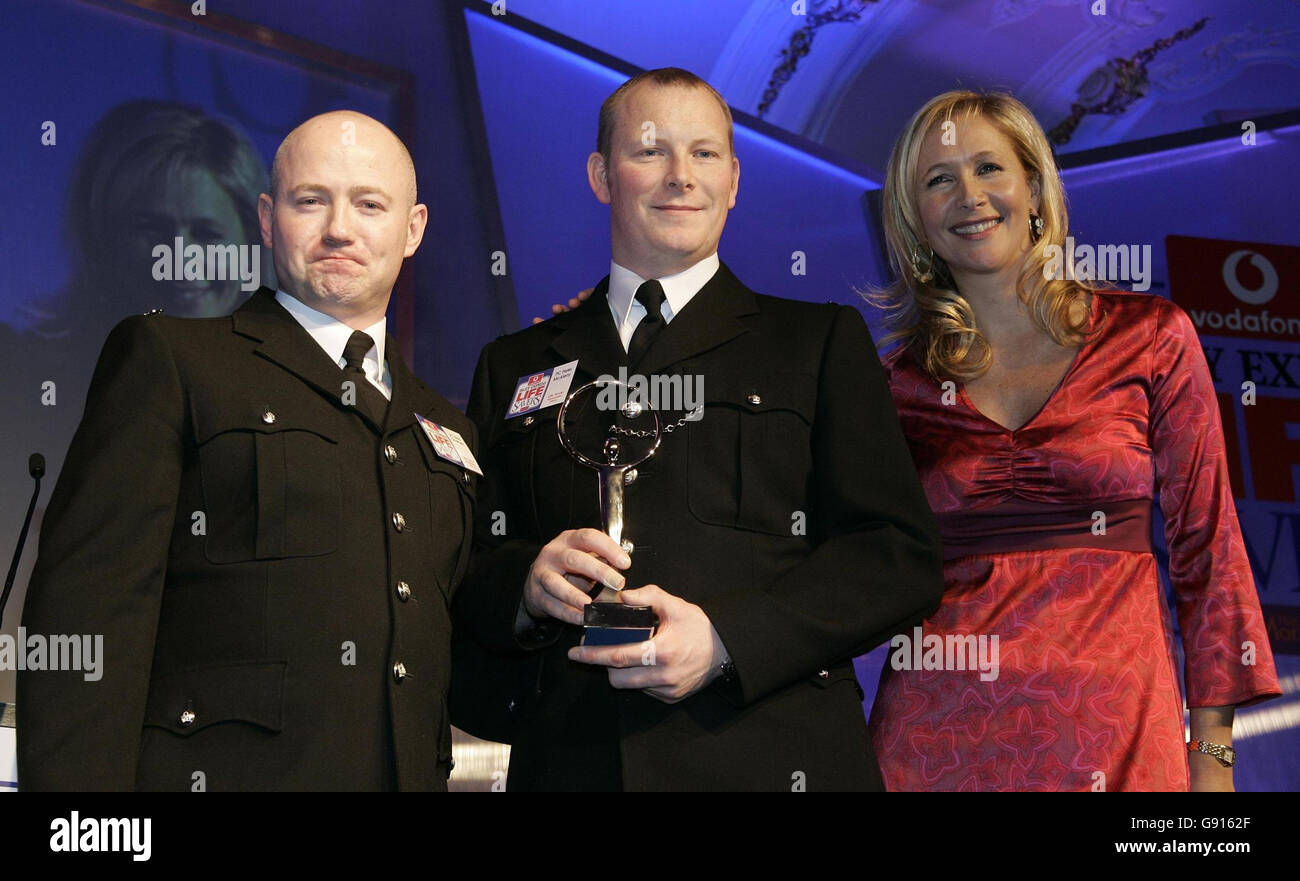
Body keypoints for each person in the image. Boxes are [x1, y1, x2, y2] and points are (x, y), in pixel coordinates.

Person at [453, 68, 943, 791]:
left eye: (705, 154)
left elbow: (895, 555)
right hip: (574, 762)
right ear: (600, 174)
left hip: (771, 757)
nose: (681, 176)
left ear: (735, 179)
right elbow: (462, 567)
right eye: (650, 152)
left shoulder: (816, 343)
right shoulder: (516, 363)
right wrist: (526, 585)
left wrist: (725, 641)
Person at [17, 110, 477, 791]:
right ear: (266, 220)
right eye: (310, 200)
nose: (340, 229)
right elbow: (87, 621)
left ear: (412, 231)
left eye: (369, 204)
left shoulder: (447, 427)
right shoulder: (173, 361)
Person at [865, 91, 1280, 791]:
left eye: (989, 167)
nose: (970, 195)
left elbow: (1210, 556)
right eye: (939, 179)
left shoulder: (1150, 336)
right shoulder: (894, 383)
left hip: (1120, 734)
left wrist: (1213, 763)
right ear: (916, 220)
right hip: (933, 742)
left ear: (1033, 187)